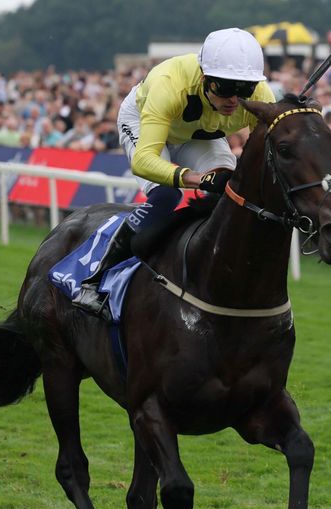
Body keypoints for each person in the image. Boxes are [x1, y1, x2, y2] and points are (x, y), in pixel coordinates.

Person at [73, 27, 275, 316]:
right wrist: (196, 179)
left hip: (196, 133)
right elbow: (144, 161)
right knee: (166, 196)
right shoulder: (168, 84)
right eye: (225, 88)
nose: (234, 99)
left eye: (244, 89)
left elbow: (267, 157)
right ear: (204, 79)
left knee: (228, 190)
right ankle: (94, 279)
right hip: (144, 121)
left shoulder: (261, 96)